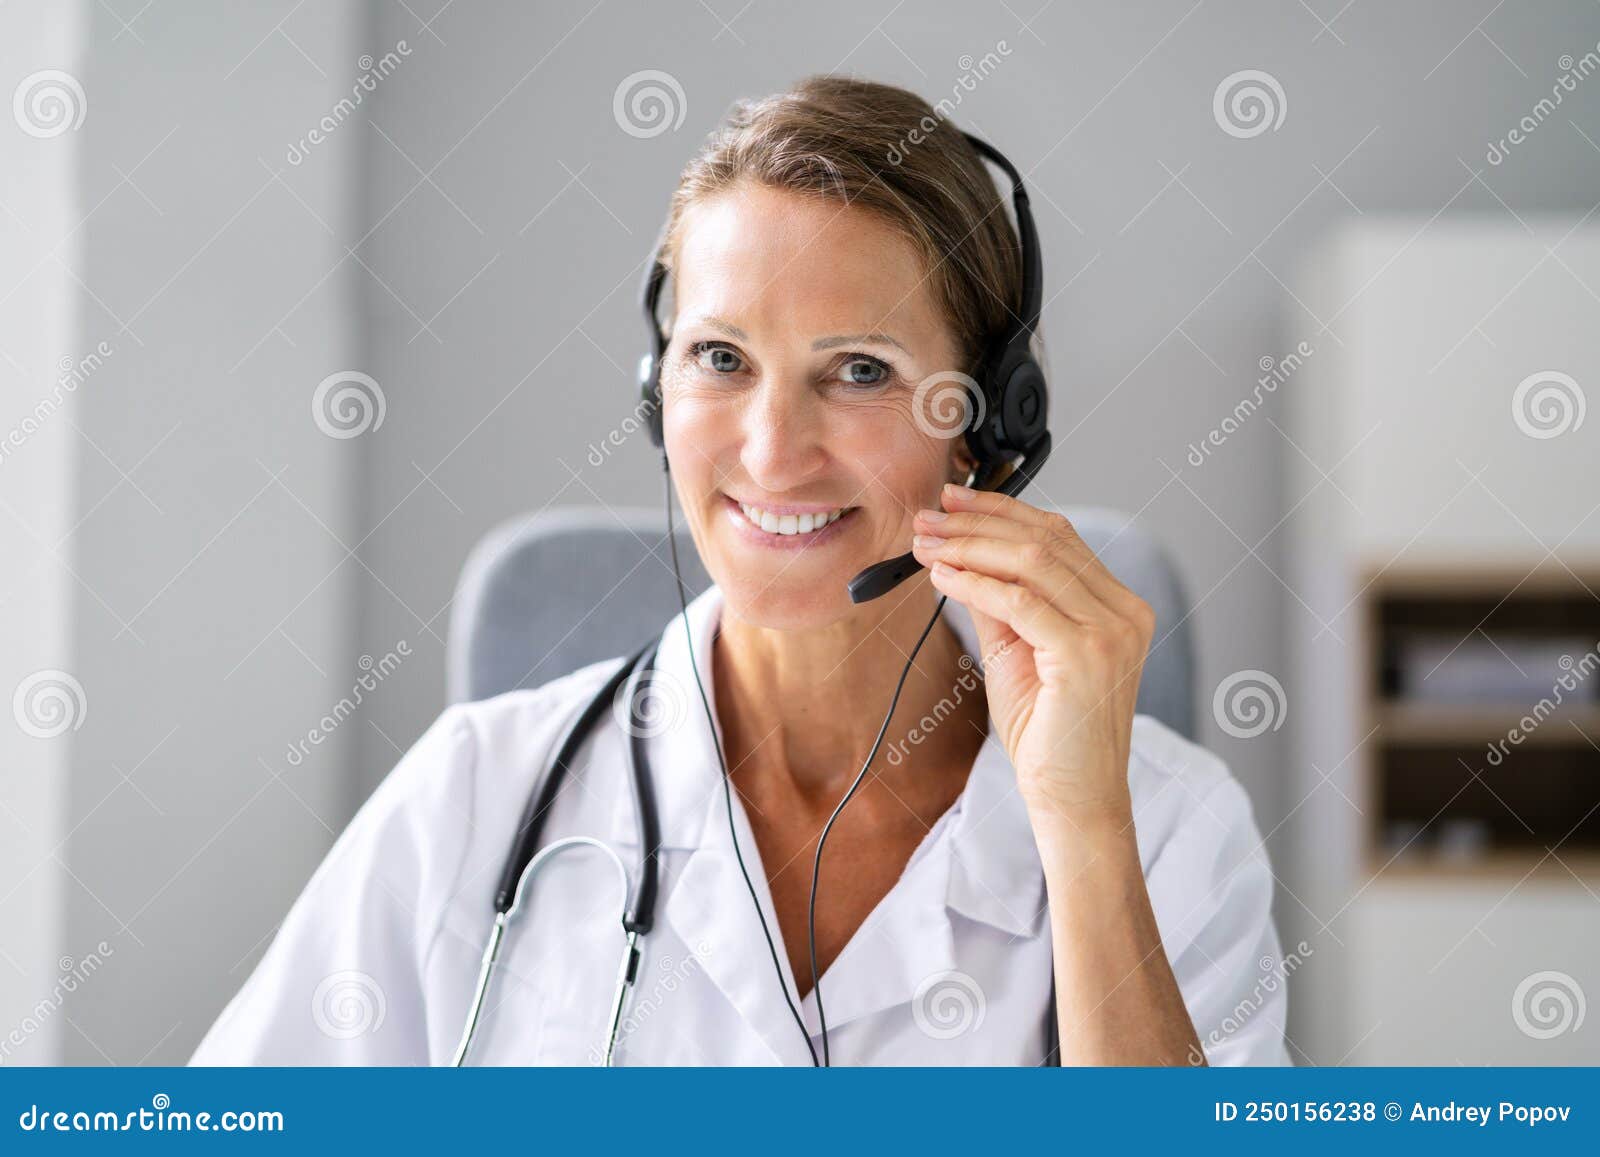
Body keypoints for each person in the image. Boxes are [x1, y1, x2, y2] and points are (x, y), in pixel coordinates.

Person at [190, 75, 1289, 1067]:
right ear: (652, 386)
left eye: (860, 369)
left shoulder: (1164, 822)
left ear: (989, 425)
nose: (771, 450)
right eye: (720, 358)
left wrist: (1086, 833)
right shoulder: (476, 793)